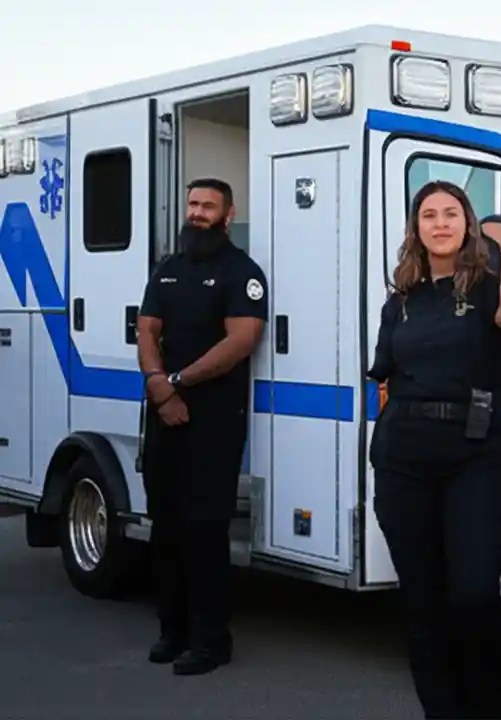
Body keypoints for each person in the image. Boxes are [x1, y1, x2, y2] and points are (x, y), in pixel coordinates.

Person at [366, 180, 501, 718]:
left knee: (474, 593)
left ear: (467, 223)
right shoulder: (402, 301)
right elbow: (384, 377)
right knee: (422, 600)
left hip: (473, 453)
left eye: (451, 213)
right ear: (416, 229)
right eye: (429, 215)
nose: (440, 223)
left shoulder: (487, 285)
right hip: (404, 457)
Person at [135, 177, 268, 675]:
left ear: (228, 214)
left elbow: (242, 340)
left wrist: (177, 382)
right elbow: (147, 329)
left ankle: (211, 641)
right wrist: (157, 383)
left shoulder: (242, 272)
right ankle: (172, 630)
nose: (197, 212)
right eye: (192, 203)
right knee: (164, 523)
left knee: (205, 528)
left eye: (208, 206)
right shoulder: (167, 269)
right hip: (164, 412)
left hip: (213, 418)